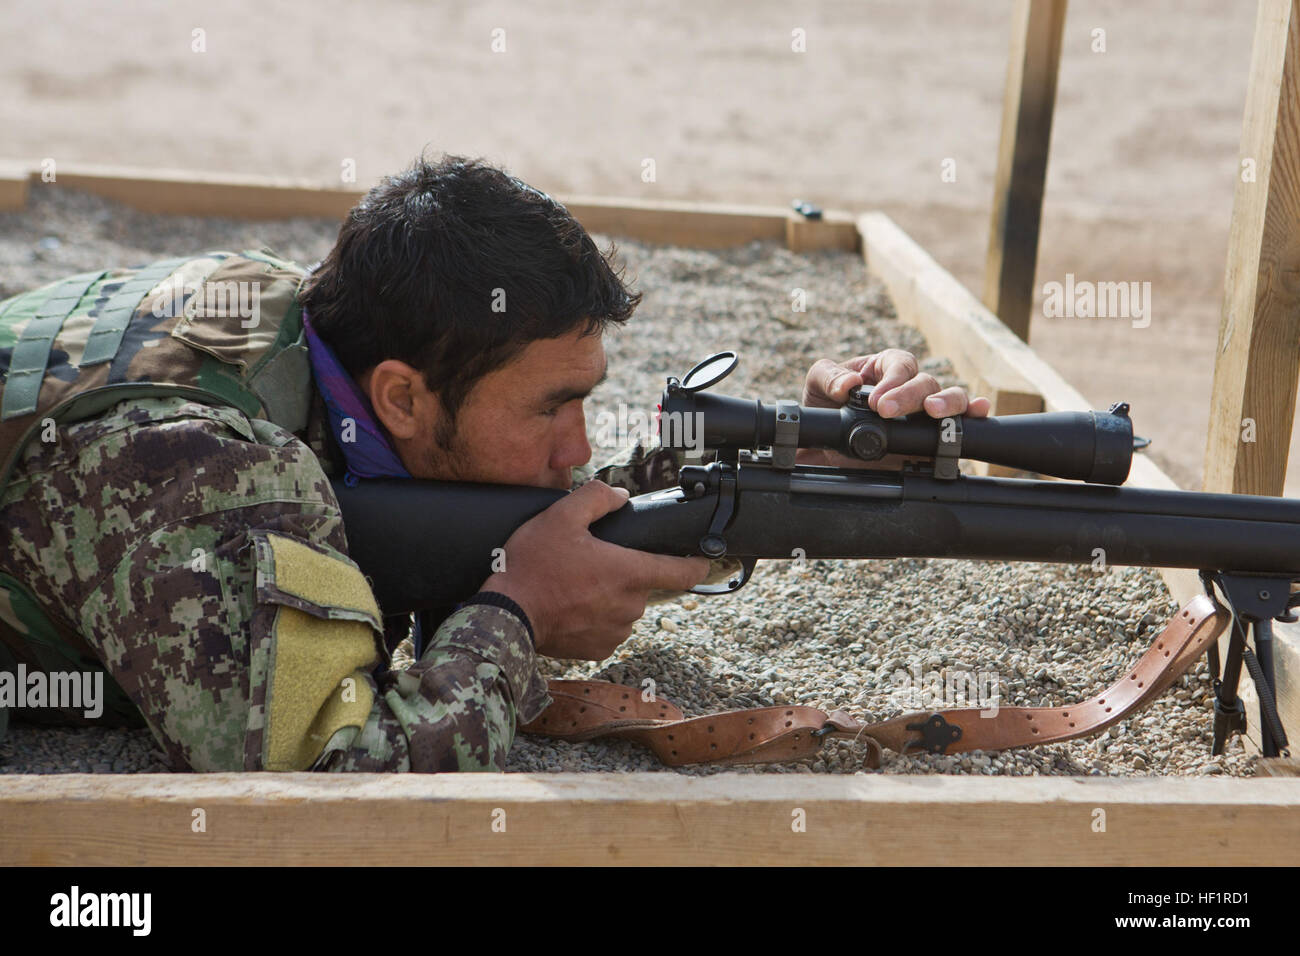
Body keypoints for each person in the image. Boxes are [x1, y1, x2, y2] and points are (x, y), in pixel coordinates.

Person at [0, 154, 988, 772]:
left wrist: (777, 464)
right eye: (554, 407)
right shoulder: (200, 467)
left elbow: (496, 496)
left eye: (585, 398)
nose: (579, 448)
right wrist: (517, 612)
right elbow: (332, 784)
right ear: (399, 397)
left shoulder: (303, 323)